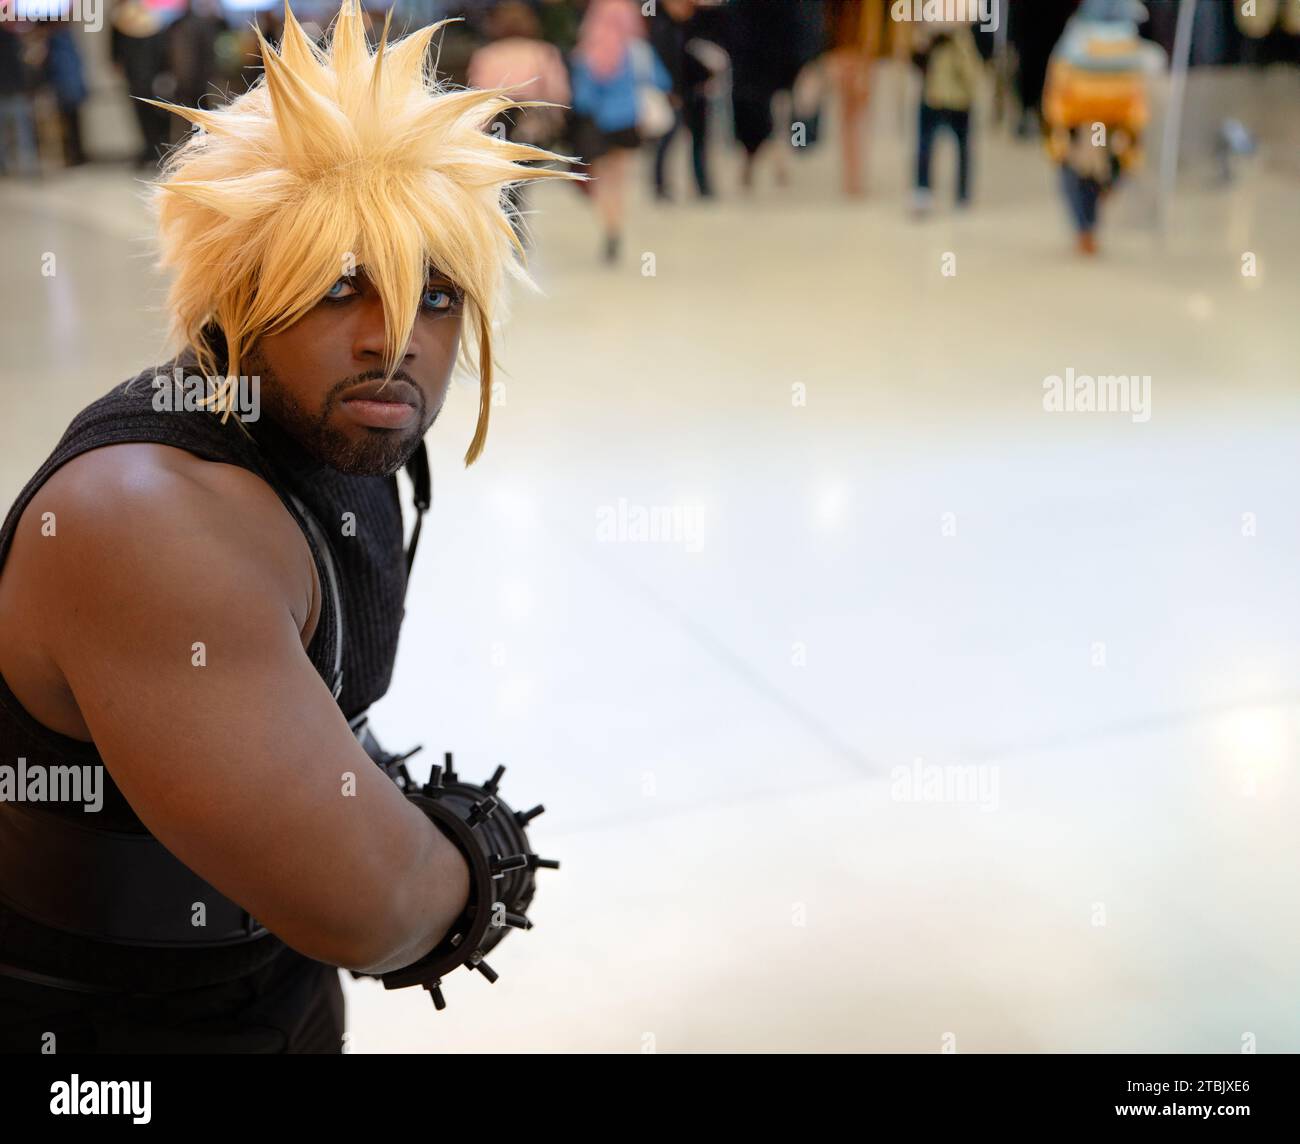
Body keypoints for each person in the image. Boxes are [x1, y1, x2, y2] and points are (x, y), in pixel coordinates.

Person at [0, 0, 577, 1053]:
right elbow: (372, 904)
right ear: (241, 296)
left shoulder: (337, 433)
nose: (394, 335)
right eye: (341, 286)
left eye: (436, 295)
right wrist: (477, 862)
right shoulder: (142, 520)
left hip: (270, 998)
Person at [1042, 0, 1160, 254]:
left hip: (1083, 119)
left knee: (1074, 173)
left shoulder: (1075, 38)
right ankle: (1089, 223)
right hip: (1109, 121)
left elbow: (1059, 82)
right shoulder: (1127, 38)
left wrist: (1056, 120)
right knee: (1103, 170)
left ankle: (1085, 228)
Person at [570, 0, 671, 263]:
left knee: (602, 181)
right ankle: (617, 226)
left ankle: (608, 226)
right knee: (620, 179)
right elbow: (661, 81)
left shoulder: (587, 52)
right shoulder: (638, 50)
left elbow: (582, 99)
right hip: (629, 122)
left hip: (599, 126)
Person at [909, 17, 983, 215]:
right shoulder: (930, 35)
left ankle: (962, 192)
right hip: (933, 95)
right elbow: (916, 59)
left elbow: (973, 68)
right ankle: (922, 189)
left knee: (962, 147)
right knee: (926, 145)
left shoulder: (964, 38)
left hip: (959, 98)